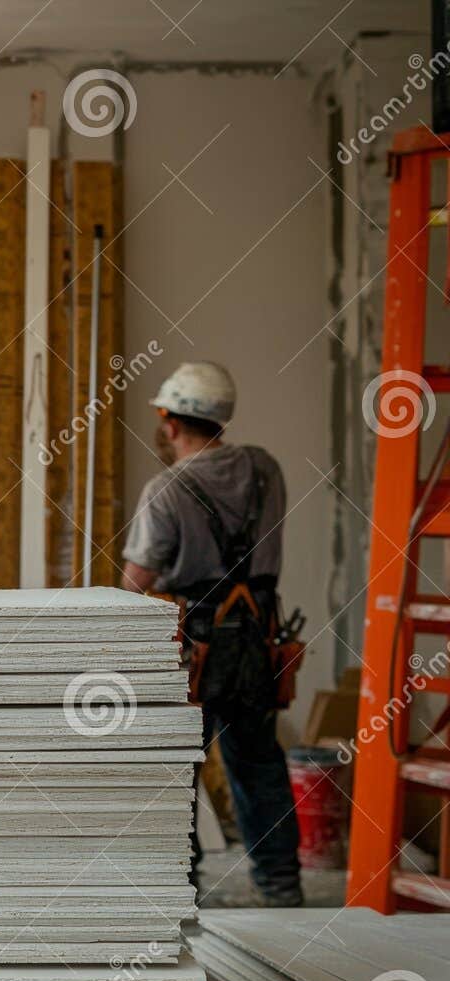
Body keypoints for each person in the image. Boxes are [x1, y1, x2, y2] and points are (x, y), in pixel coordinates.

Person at [120, 362, 303, 907]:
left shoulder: (165, 490)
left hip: (193, 649)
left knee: (178, 767)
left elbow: (134, 585)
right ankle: (282, 887)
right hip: (255, 640)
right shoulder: (265, 468)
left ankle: (179, 891)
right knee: (258, 760)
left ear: (170, 423)